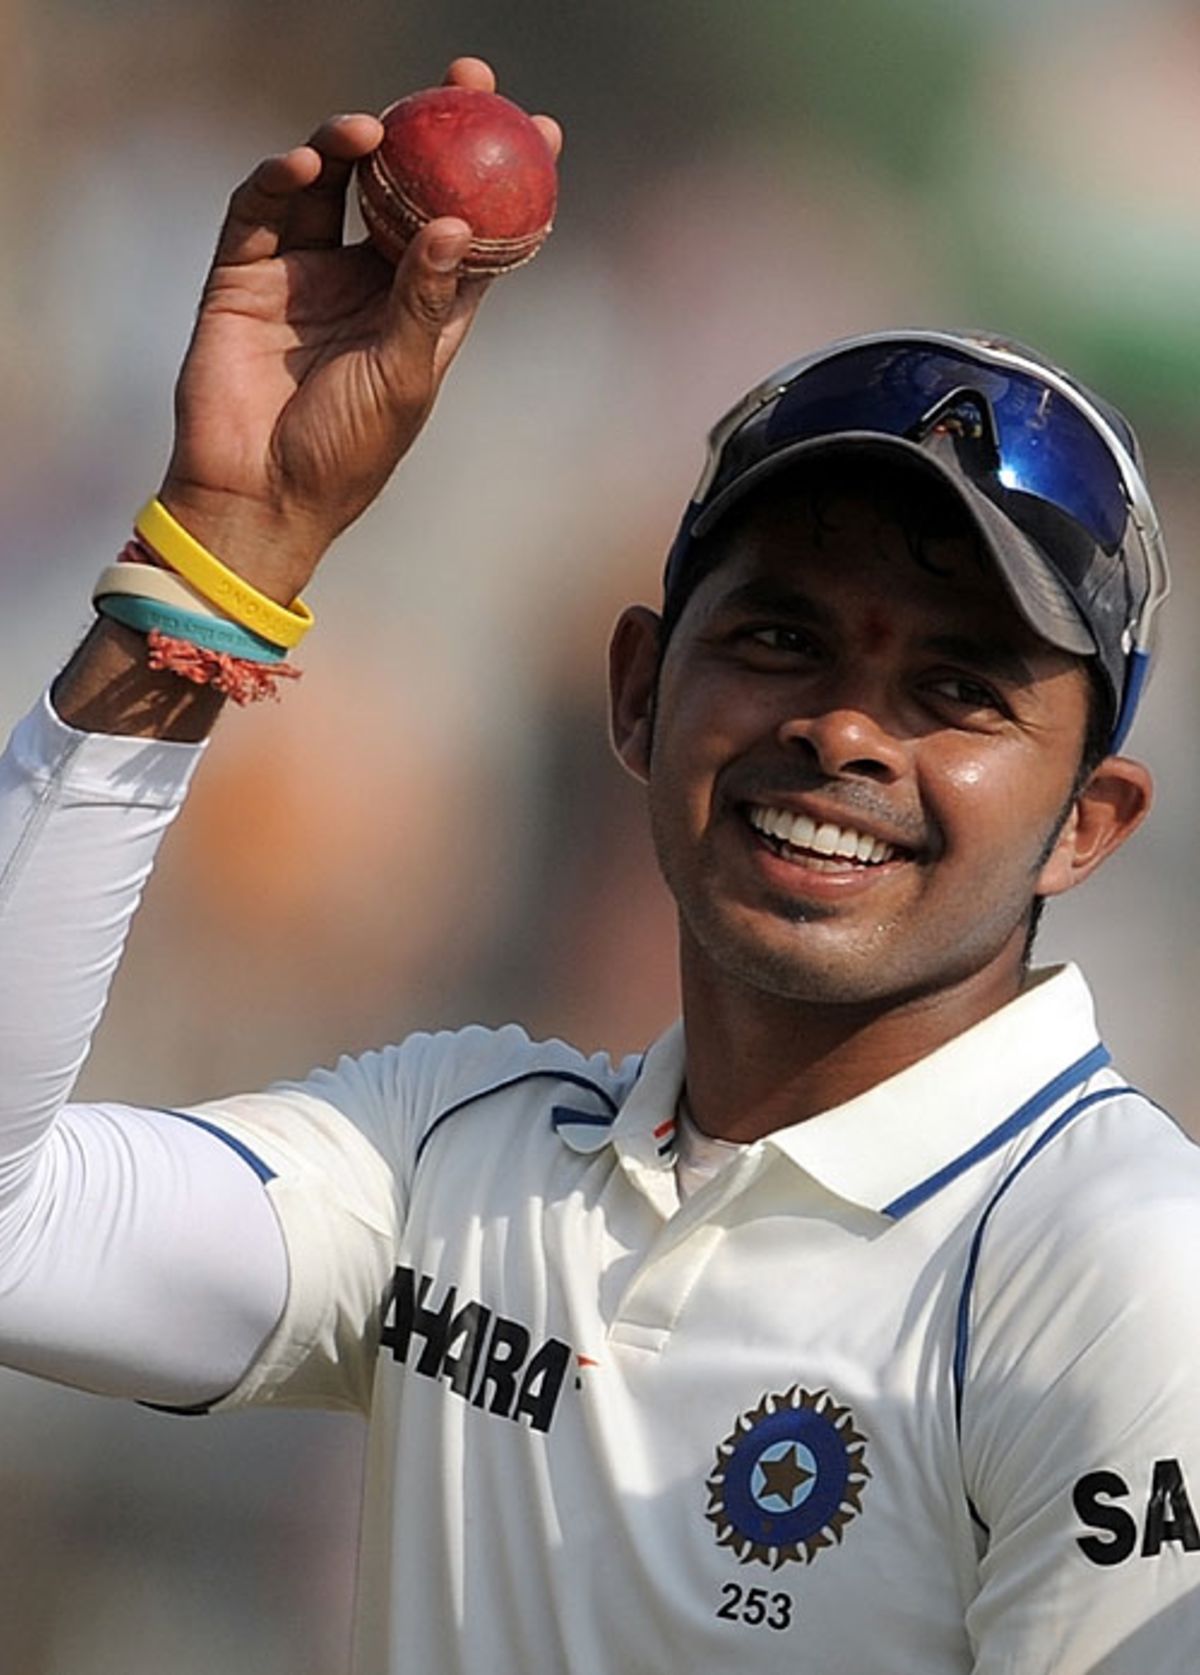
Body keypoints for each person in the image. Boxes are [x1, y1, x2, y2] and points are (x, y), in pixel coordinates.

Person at [1, 51, 1197, 1675]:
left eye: (957, 689)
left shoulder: (1119, 1272)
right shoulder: (461, 1160)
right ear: (637, 690)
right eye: (780, 639)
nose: (845, 733)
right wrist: (227, 548)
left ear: (1091, 820)